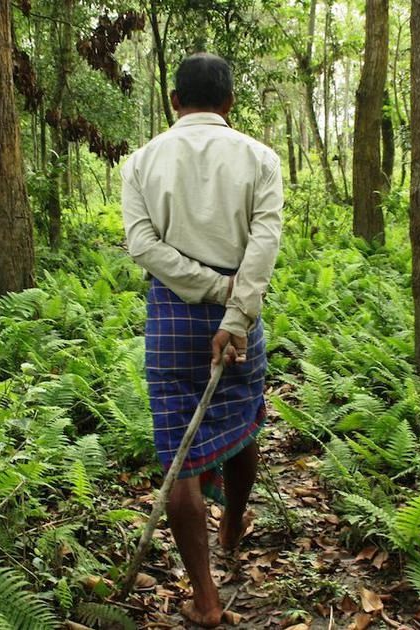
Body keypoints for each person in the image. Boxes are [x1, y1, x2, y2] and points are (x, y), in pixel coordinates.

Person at [121, 52, 283, 627]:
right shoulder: (260, 157)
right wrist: (233, 308)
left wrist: (206, 289)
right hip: (237, 318)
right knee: (243, 422)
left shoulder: (140, 161)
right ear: (230, 103)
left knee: (177, 454)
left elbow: (141, 245)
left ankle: (205, 599)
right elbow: (263, 245)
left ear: (173, 101)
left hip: (170, 316)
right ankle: (234, 525)